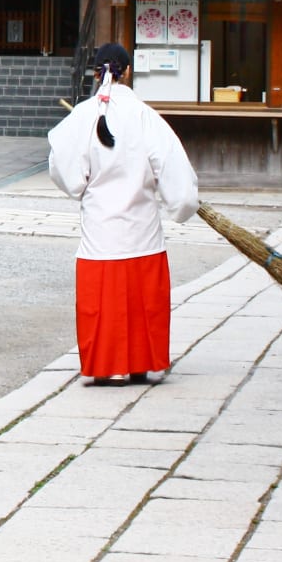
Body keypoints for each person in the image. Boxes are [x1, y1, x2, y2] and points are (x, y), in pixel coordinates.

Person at [47, 43, 200, 386]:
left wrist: (83, 187)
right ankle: (139, 364)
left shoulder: (83, 115)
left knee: (104, 303)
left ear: (96, 72)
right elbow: (173, 170)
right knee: (142, 303)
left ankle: (106, 366)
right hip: (142, 227)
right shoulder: (145, 115)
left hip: (100, 229)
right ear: (128, 71)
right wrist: (183, 204)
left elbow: (62, 168)